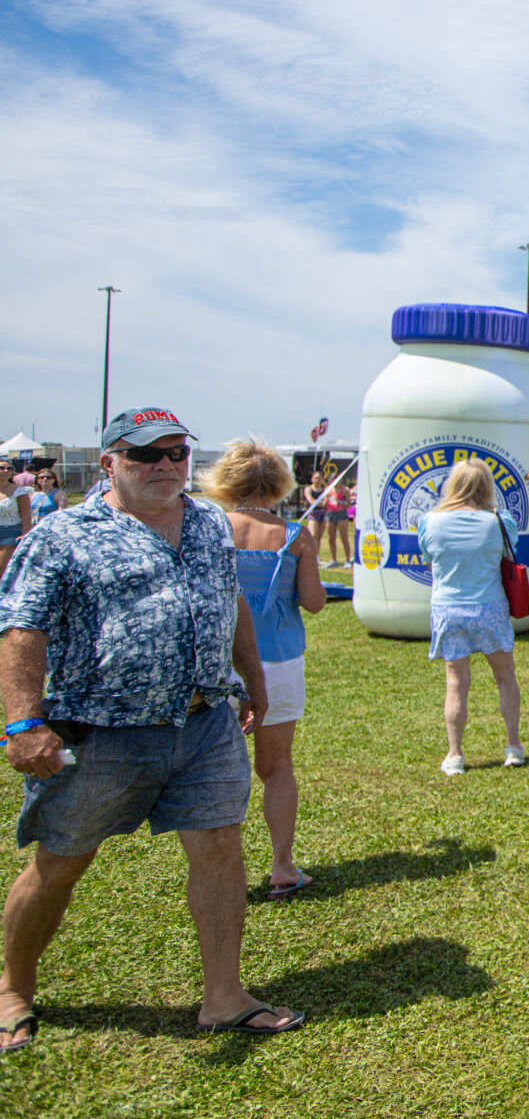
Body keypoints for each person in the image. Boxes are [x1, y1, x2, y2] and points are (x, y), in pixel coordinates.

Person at [0, 408, 302, 1047]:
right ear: (109, 462)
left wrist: (252, 678)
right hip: (102, 730)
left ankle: (224, 996)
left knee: (219, 847)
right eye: (145, 454)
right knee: (62, 861)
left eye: (176, 452)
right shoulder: (63, 535)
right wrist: (23, 722)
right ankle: (13, 987)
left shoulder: (210, 523)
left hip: (204, 721)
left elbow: (232, 603)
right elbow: (22, 627)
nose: (165, 465)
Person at [202, 440, 325, 897]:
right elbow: (314, 601)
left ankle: (218, 871)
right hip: (279, 659)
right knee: (276, 765)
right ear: (277, 482)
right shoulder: (295, 535)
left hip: (219, 661)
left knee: (214, 768)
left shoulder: (211, 529)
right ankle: (282, 866)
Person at [418, 459, 526, 773]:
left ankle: (455, 754)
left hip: (449, 608)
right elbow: (508, 551)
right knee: (505, 677)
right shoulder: (499, 521)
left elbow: (429, 559)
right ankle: (513, 746)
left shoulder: (429, 521)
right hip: (489, 606)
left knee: (455, 684)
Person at [0, 473, 32, 577]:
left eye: (9, 468)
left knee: (2, 567)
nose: (5, 471)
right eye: (1, 468)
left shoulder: (19, 491)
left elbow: (25, 514)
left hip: (10, 531)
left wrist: (25, 533)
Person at [323, 474, 353, 567]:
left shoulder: (344, 490)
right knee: (331, 538)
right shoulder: (328, 490)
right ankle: (333, 560)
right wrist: (327, 498)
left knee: (344, 538)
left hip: (341, 513)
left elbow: (349, 505)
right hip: (331, 514)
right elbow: (324, 504)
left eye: (338, 480)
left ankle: (348, 560)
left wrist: (340, 502)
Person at [300, 471, 328, 558]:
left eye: (319, 478)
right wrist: (320, 503)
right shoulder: (308, 489)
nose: (317, 480)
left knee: (319, 537)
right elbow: (311, 501)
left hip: (323, 513)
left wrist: (320, 503)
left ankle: (316, 556)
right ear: (312, 479)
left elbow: (325, 503)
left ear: (322, 480)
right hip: (313, 513)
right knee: (313, 535)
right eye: (315, 478)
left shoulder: (324, 490)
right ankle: (310, 554)